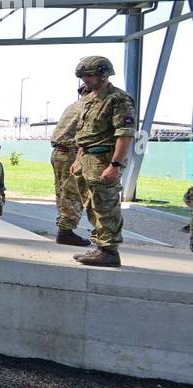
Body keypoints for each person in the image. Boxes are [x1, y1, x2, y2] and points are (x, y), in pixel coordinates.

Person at [70, 56, 136, 267]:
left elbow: (124, 134)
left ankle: (109, 251)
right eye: (82, 76)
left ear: (104, 74)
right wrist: (79, 158)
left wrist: (115, 165)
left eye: (89, 76)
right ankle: (100, 246)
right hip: (86, 158)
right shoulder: (89, 99)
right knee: (91, 204)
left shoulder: (118, 99)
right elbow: (85, 133)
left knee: (105, 205)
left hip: (104, 158)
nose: (85, 80)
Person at [49, 89, 90, 246]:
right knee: (73, 193)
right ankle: (65, 231)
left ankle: (64, 228)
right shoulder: (88, 107)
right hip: (71, 153)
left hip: (59, 152)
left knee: (62, 191)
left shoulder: (73, 106)